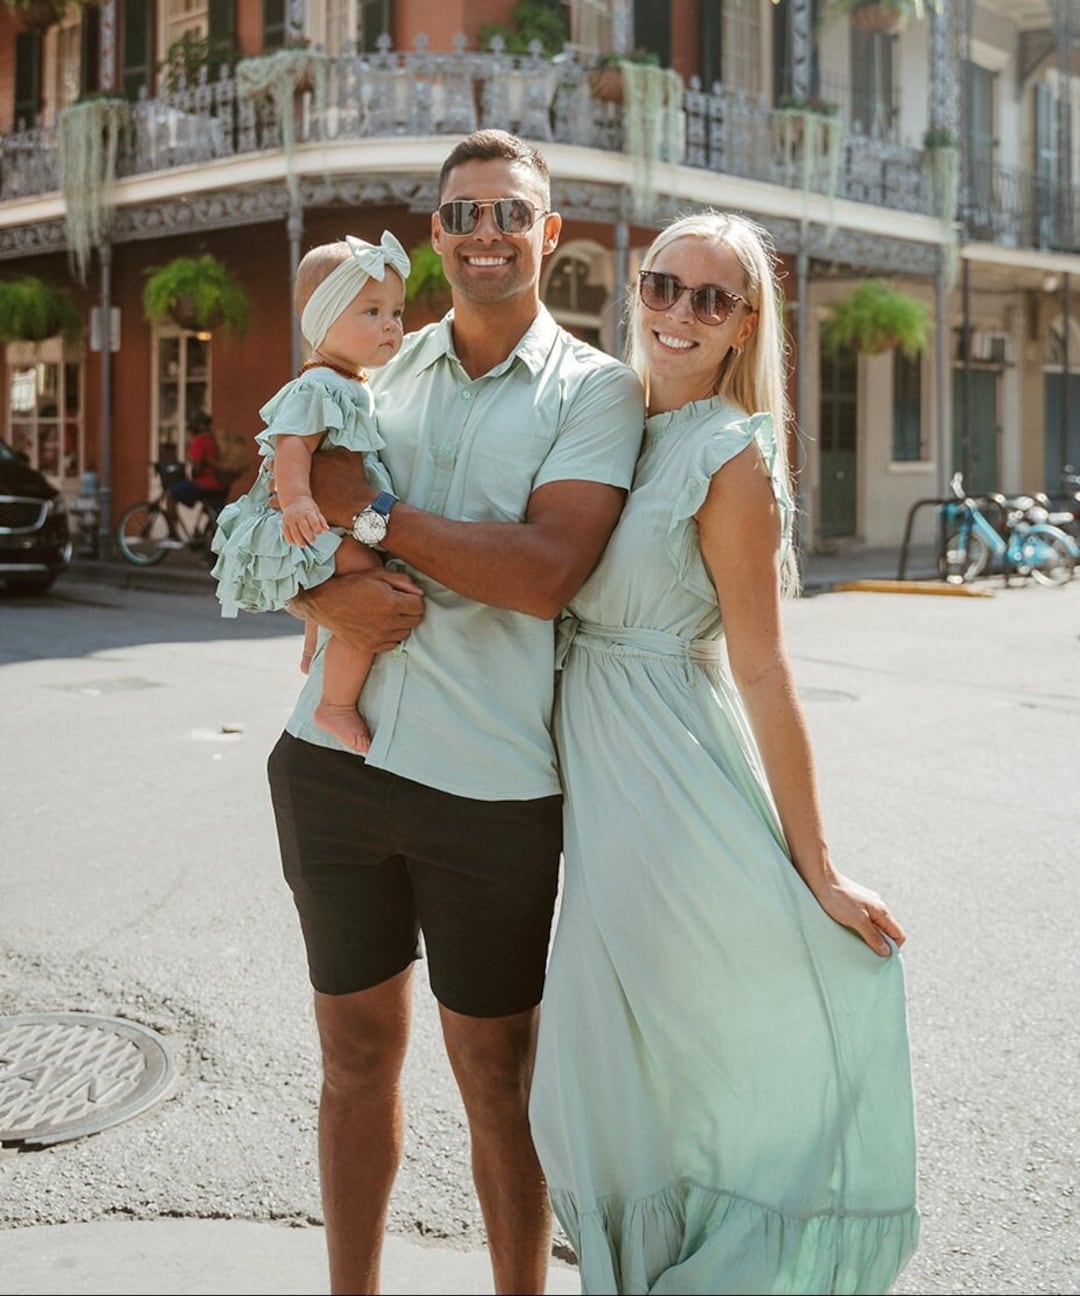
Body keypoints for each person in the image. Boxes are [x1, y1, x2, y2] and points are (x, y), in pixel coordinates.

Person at [265, 129, 646, 1295]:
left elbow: (543, 572)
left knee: (496, 1077)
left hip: (491, 789)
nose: (488, 233)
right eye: (465, 215)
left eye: (510, 214)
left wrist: (374, 513)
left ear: (551, 234)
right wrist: (330, 590)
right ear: (436, 237)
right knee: (352, 1061)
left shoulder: (599, 393)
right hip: (332, 774)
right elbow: (276, 531)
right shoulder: (369, 364)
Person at [527, 210, 920, 1295]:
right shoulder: (608, 419)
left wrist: (821, 868)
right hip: (596, 776)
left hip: (663, 788)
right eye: (664, 287)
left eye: (712, 298)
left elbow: (761, 670)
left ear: (748, 325)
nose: (680, 313)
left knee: (629, 1076)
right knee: (598, 1085)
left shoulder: (726, 454)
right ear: (635, 293)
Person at [211, 232, 409, 753]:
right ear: (323, 320)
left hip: (332, 515)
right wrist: (297, 499)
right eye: (372, 311)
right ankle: (336, 704)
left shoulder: (352, 382)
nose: (391, 324)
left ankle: (315, 640)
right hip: (311, 517)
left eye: (396, 312)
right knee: (368, 578)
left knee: (352, 572)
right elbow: (291, 446)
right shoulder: (317, 386)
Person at [167, 410, 229, 517]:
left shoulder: (199, 441)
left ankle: (172, 528)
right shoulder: (213, 439)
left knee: (171, 494)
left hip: (206, 484)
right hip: (221, 484)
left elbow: (197, 466)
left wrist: (192, 474)